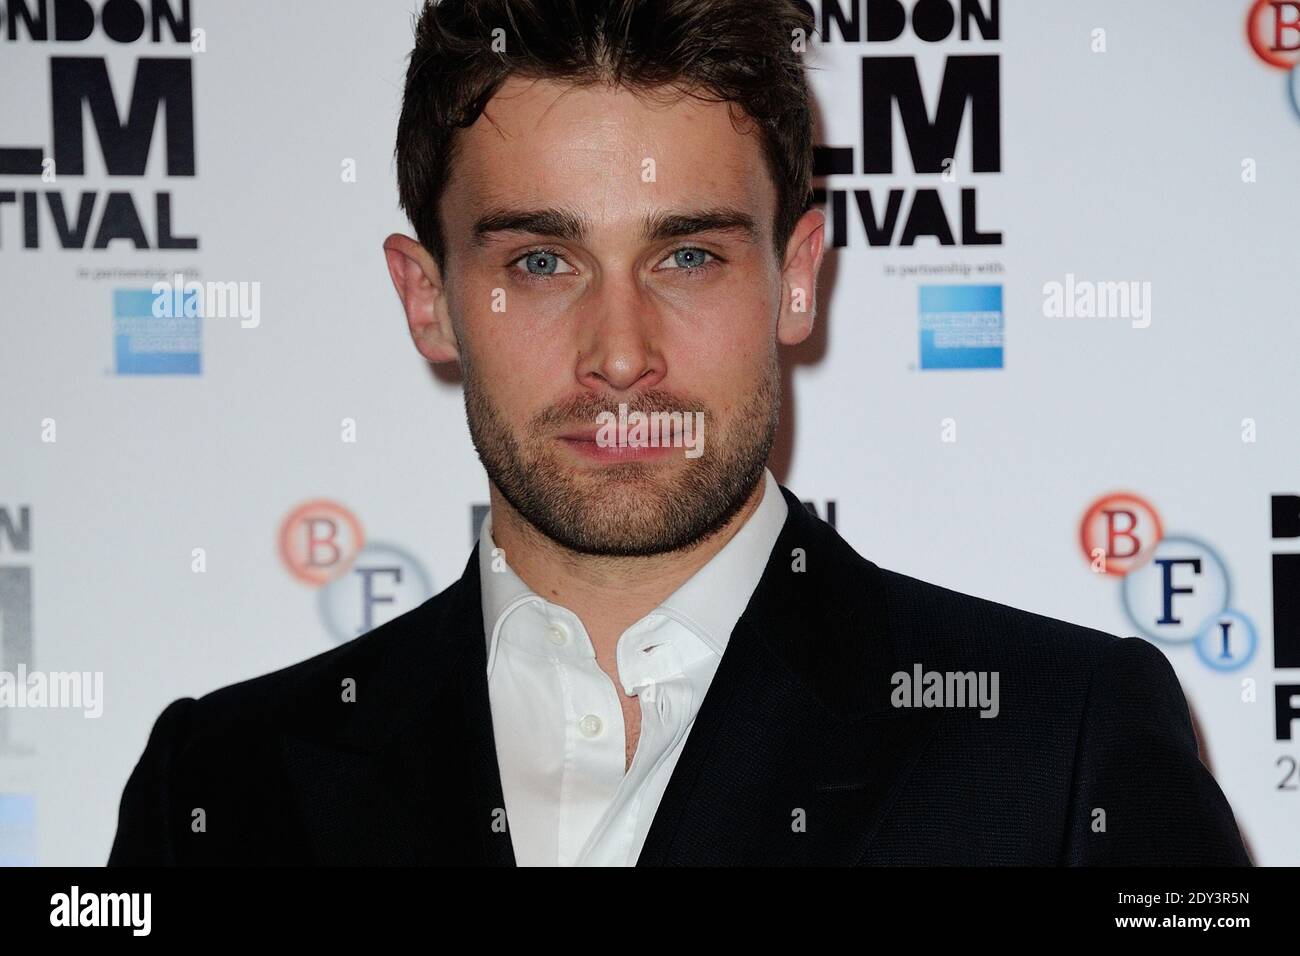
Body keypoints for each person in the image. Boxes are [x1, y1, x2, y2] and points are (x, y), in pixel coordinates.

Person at [108, 0, 1251, 866]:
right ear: (428, 297)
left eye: (687, 256)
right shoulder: (219, 784)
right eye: (541, 261)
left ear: (797, 277)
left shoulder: (1060, 743)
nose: (620, 353)